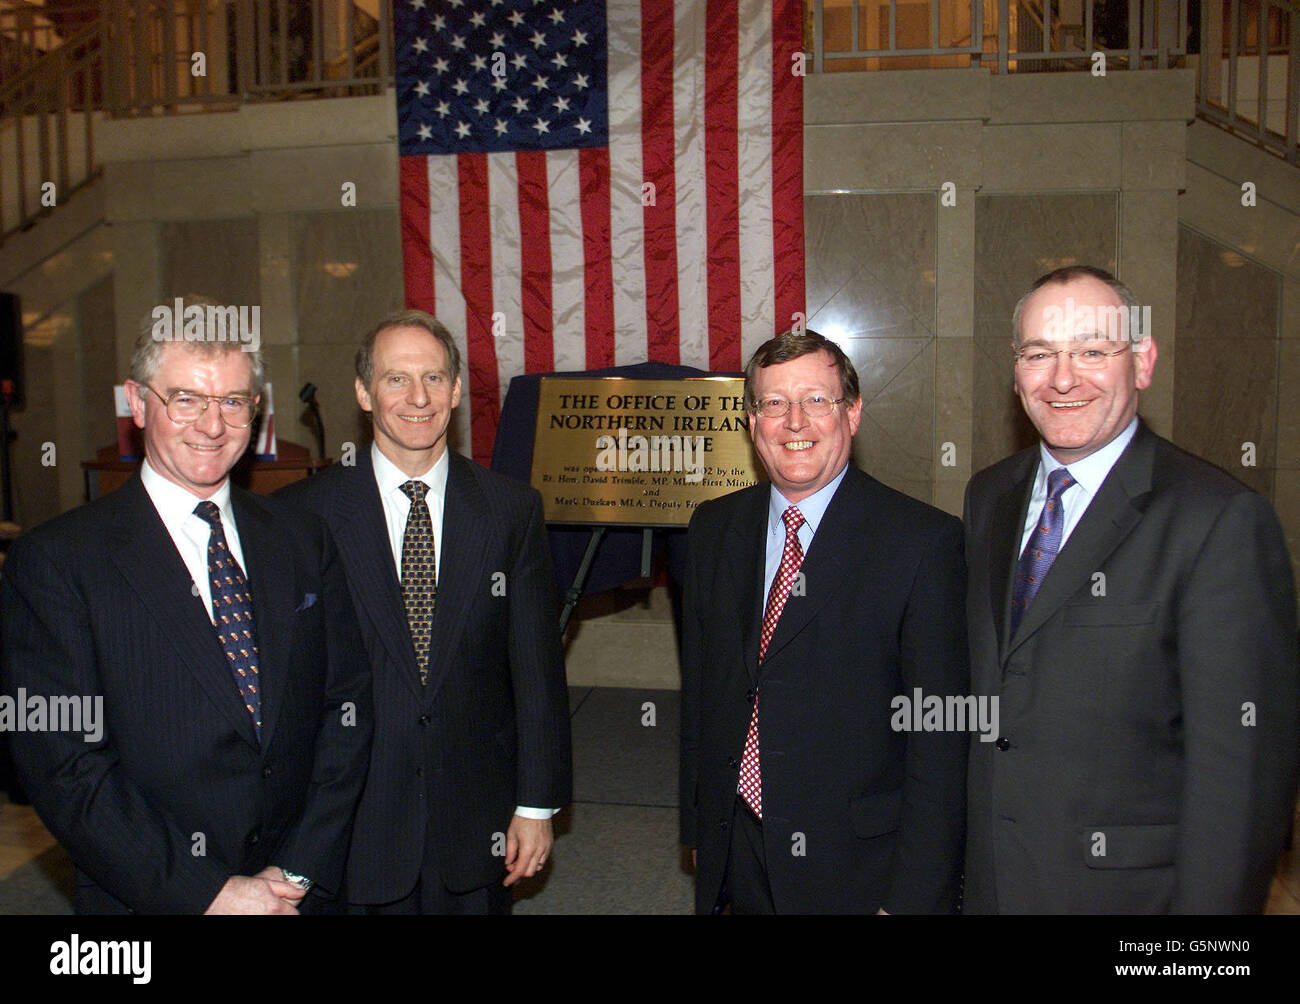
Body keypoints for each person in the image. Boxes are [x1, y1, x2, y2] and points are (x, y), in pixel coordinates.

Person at [0, 322, 372, 914]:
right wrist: (210, 893)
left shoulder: (301, 537)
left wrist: (299, 866)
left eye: (232, 401)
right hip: (150, 895)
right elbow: (64, 764)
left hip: (302, 888)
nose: (212, 424)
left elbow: (348, 705)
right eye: (186, 399)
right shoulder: (57, 561)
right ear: (137, 403)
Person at [963, 265, 1299, 913]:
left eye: (1093, 350)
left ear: (1141, 363)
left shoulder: (1219, 519)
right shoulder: (990, 496)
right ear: (1015, 371)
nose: (1064, 378)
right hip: (995, 887)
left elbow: (1242, 774)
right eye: (1040, 354)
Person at [277, 310, 571, 914]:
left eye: (434, 378)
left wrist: (536, 804)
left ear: (457, 390)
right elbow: (288, 686)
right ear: (363, 392)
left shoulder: (510, 510)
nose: (417, 398)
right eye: (395, 380)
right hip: (349, 823)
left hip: (475, 821)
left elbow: (536, 667)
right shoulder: (300, 516)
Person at [679, 330, 969, 914]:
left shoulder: (922, 543)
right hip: (738, 841)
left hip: (857, 862)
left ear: (853, 413)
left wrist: (914, 897)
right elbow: (705, 694)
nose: (794, 422)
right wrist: (701, 825)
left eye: (817, 400)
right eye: (774, 403)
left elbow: (941, 738)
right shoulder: (712, 527)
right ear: (751, 422)